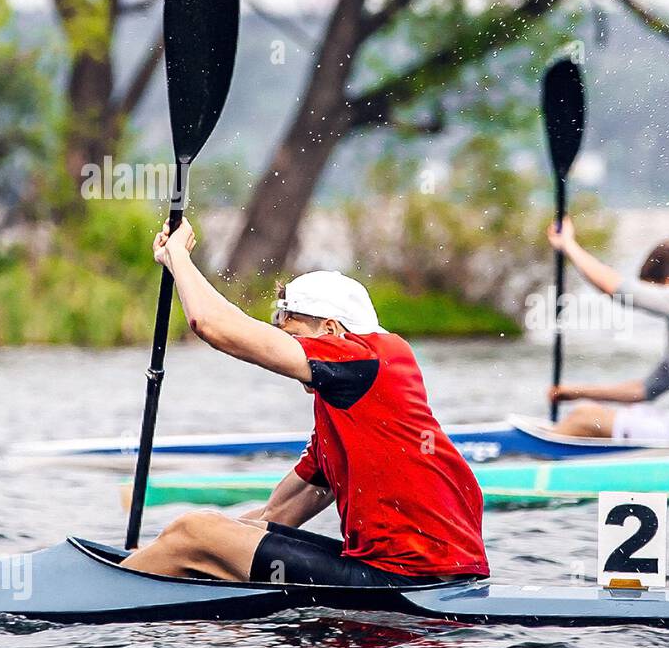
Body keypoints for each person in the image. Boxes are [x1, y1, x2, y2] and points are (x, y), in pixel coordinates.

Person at [123, 218, 489, 587]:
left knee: (194, 529)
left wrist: (180, 257)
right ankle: (132, 574)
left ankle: (109, 591)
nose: (289, 350)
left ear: (331, 330)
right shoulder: (347, 409)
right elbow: (277, 514)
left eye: (295, 337)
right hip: (399, 573)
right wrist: (170, 548)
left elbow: (210, 324)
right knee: (192, 535)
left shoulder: (368, 357)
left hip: (415, 579)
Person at [544, 216, 669, 442]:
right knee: (585, 411)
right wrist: (575, 392)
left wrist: (569, 245)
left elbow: (619, 290)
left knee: (584, 418)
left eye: (650, 288)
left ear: (668, 282)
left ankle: (539, 457)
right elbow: (642, 391)